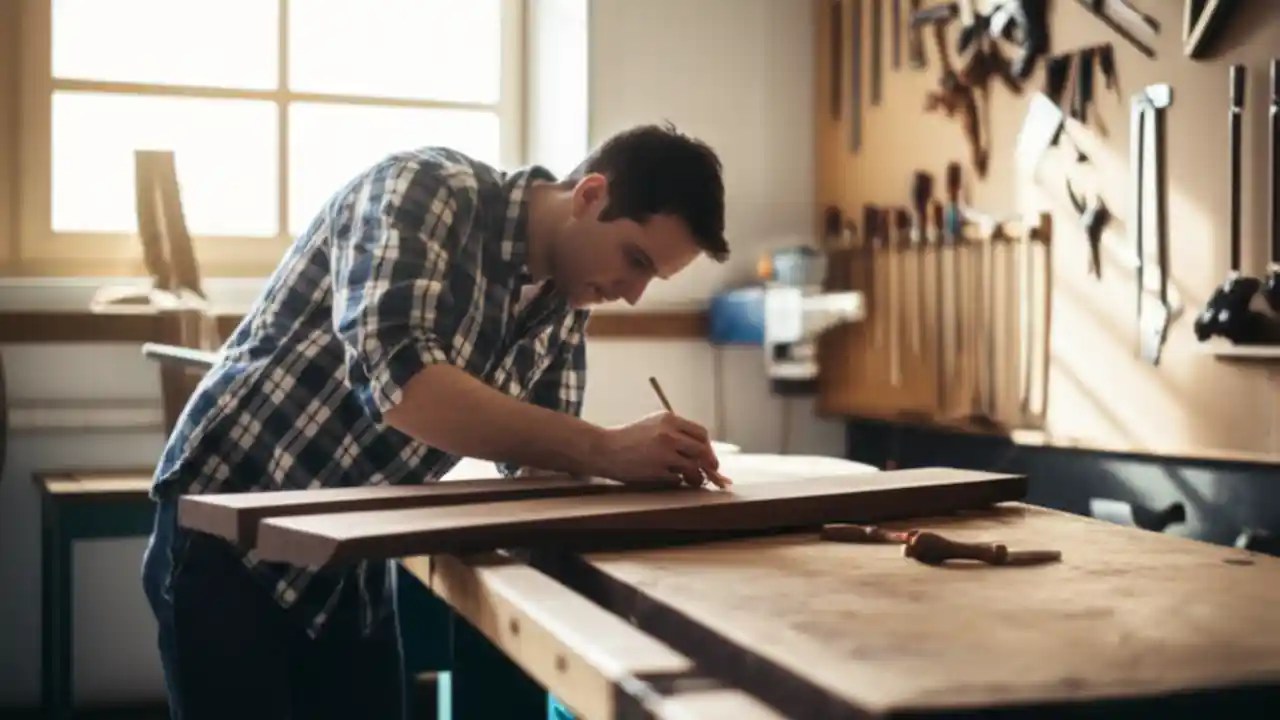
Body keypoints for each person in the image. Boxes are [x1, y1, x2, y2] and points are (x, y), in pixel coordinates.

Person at [140, 122, 731, 719]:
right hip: (227, 528)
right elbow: (402, 385)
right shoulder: (423, 190)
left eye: (652, 278)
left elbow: (539, 465)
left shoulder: (567, 301)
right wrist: (604, 448)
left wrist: (647, 475)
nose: (632, 293)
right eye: (635, 260)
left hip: (349, 554)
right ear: (588, 196)